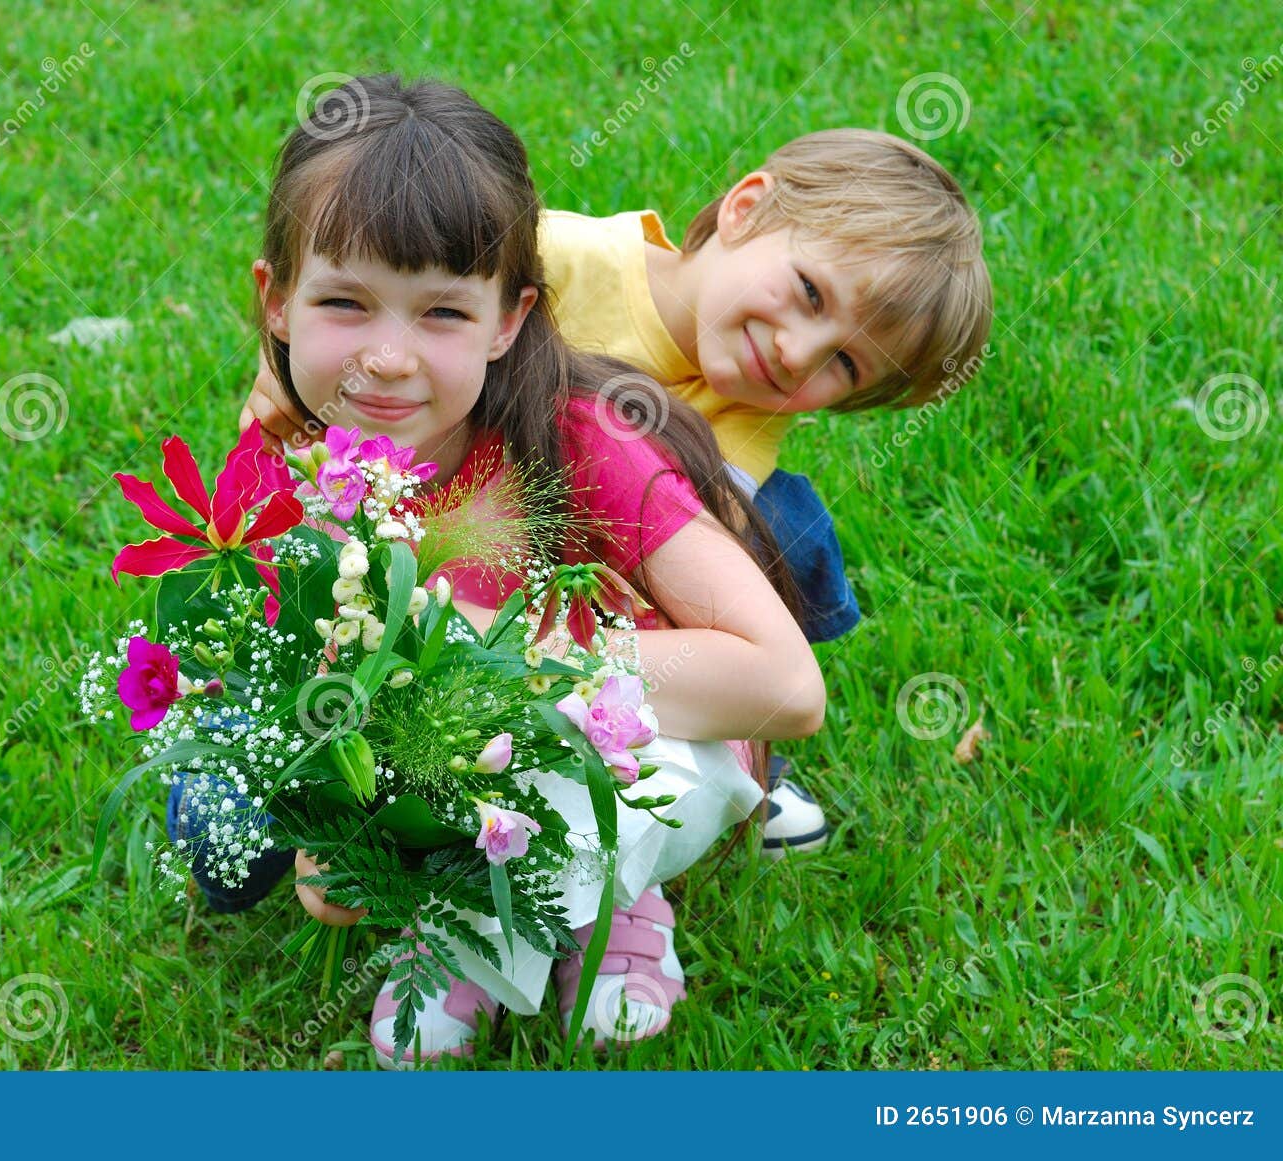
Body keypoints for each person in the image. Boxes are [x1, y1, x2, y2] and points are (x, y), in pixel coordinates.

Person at [172, 72, 855, 1069]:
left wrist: (511, 666)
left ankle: (613, 906)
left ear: (507, 319)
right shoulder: (278, 475)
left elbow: (786, 687)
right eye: (345, 304)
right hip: (433, 760)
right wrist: (322, 821)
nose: (390, 359)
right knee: (223, 817)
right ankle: (451, 915)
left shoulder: (586, 442)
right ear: (276, 303)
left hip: (611, 736)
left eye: (441, 314)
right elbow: (291, 682)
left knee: (616, 764)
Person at [242, 127, 994, 859]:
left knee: (790, 538)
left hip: (603, 539)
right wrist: (285, 370)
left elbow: (684, 563)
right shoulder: (572, 256)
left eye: (846, 366)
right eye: (808, 292)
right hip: (471, 473)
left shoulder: (749, 428)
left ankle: (740, 759)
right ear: (745, 208)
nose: (797, 353)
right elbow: (411, 281)